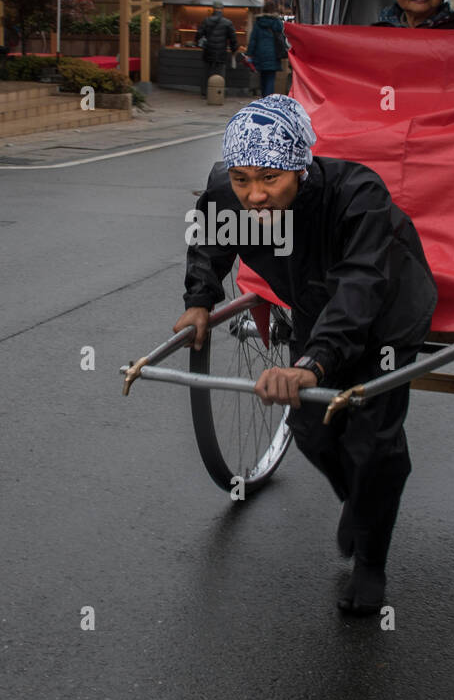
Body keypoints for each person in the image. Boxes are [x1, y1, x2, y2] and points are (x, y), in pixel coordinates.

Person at [175, 95, 436, 616]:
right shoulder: (230, 196)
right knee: (311, 429)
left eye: (269, 178)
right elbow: (210, 242)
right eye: (243, 178)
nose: (254, 194)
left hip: (385, 313)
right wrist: (200, 301)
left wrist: (311, 364)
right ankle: (359, 500)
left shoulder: (355, 194)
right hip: (315, 309)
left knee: (373, 441)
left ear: (299, 166)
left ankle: (371, 563)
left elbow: (361, 285)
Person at [196, 4, 240, 98]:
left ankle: (205, 93)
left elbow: (199, 34)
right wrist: (234, 49)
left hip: (208, 51)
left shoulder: (206, 21)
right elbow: (233, 39)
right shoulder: (227, 22)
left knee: (206, 73)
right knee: (220, 74)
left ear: (213, 10)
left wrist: (199, 43)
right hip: (221, 52)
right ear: (222, 10)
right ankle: (218, 93)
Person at [246, 8, 288, 97]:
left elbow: (253, 40)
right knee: (271, 79)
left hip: (260, 54)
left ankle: (264, 97)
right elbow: (282, 36)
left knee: (263, 77)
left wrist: (249, 54)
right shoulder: (277, 23)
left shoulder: (258, 23)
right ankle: (268, 98)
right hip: (274, 54)